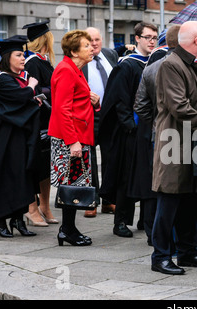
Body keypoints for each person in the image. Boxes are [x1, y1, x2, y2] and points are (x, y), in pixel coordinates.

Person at [151, 21, 197, 275]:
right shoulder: (171, 64)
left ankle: (189, 252)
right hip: (174, 143)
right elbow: (178, 107)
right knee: (169, 201)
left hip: (195, 143)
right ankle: (160, 256)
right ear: (194, 40)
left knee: (191, 200)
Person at [98, 21, 158, 238]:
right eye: (148, 37)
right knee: (127, 177)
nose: (152, 41)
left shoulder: (154, 63)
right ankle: (121, 221)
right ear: (137, 39)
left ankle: (144, 219)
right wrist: (130, 126)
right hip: (130, 131)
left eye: (154, 37)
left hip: (149, 129)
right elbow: (118, 100)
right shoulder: (127, 65)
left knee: (148, 176)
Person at [48, 30, 99, 246]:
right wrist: (72, 142)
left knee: (75, 183)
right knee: (71, 184)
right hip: (69, 139)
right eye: (86, 45)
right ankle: (67, 230)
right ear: (74, 51)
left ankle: (68, 229)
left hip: (77, 136)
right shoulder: (66, 71)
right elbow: (62, 110)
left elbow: (76, 103)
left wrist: (93, 102)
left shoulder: (75, 69)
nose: (91, 48)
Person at [0, 35, 42, 238]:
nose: (23, 58)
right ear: (7, 57)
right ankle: (0, 219)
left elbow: (25, 105)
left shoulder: (21, 77)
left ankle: (19, 219)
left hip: (20, 136)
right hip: (3, 138)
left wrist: (33, 98)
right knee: (4, 177)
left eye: (24, 54)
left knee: (22, 176)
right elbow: (18, 98)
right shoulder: (0, 78)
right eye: (19, 55)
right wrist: (31, 88)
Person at [132, 24, 180, 246]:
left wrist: (155, 123)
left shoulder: (151, 67)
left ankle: (155, 234)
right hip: (177, 136)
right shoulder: (180, 67)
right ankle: (169, 238)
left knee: (156, 186)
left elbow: (140, 106)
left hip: (157, 134)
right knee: (172, 189)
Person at [22, 20, 58, 227]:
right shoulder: (33, 62)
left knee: (47, 166)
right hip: (40, 120)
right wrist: (56, 93)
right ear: (46, 39)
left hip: (49, 120)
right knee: (39, 165)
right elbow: (34, 91)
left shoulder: (44, 61)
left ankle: (46, 205)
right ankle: (34, 206)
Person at [82, 27, 119, 218]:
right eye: (90, 40)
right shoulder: (80, 60)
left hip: (110, 115)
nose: (94, 43)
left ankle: (108, 199)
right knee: (90, 159)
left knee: (111, 158)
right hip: (89, 116)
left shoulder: (110, 54)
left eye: (97, 39)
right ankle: (92, 200)